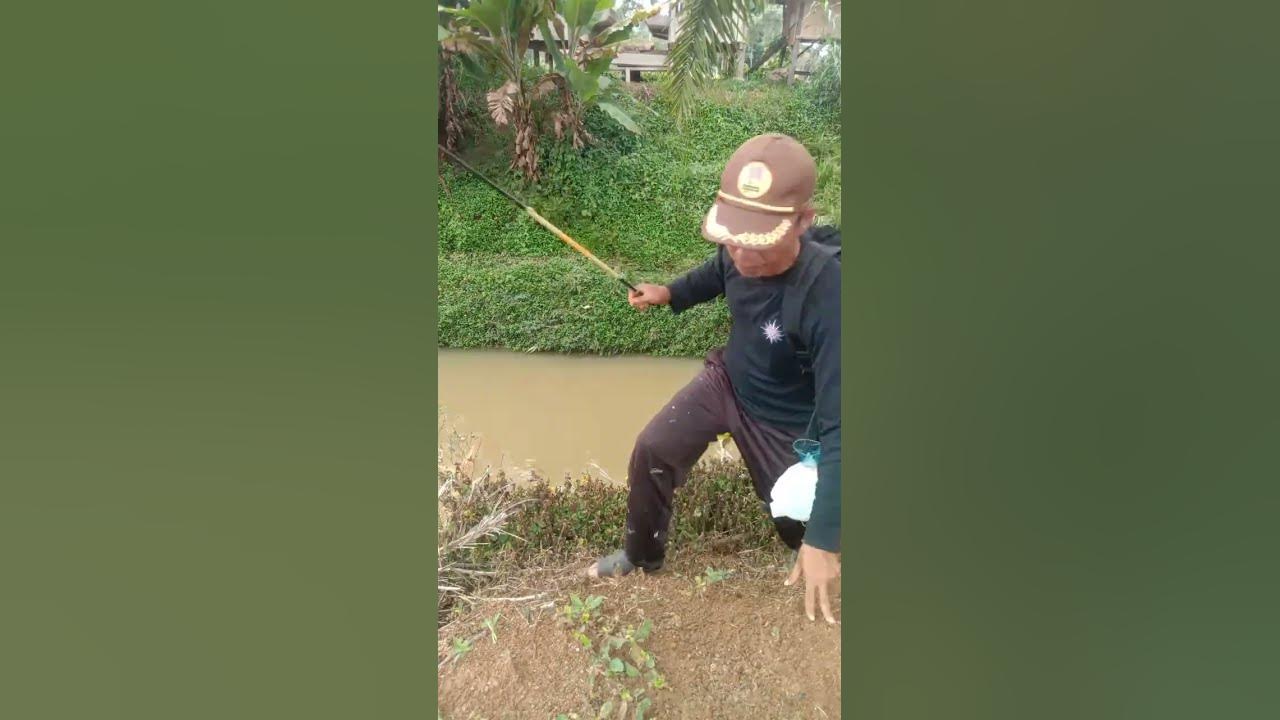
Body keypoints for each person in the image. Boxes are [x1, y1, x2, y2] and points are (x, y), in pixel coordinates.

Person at [586, 133, 842, 623]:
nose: (741, 255)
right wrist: (670, 293)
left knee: (795, 518)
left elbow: (840, 427)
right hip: (727, 379)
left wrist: (824, 540)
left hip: (786, 419)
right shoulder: (739, 245)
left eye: (756, 242)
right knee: (654, 449)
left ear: (803, 221)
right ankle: (640, 555)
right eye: (733, 238)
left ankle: (814, 547)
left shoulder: (829, 296)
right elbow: (714, 272)